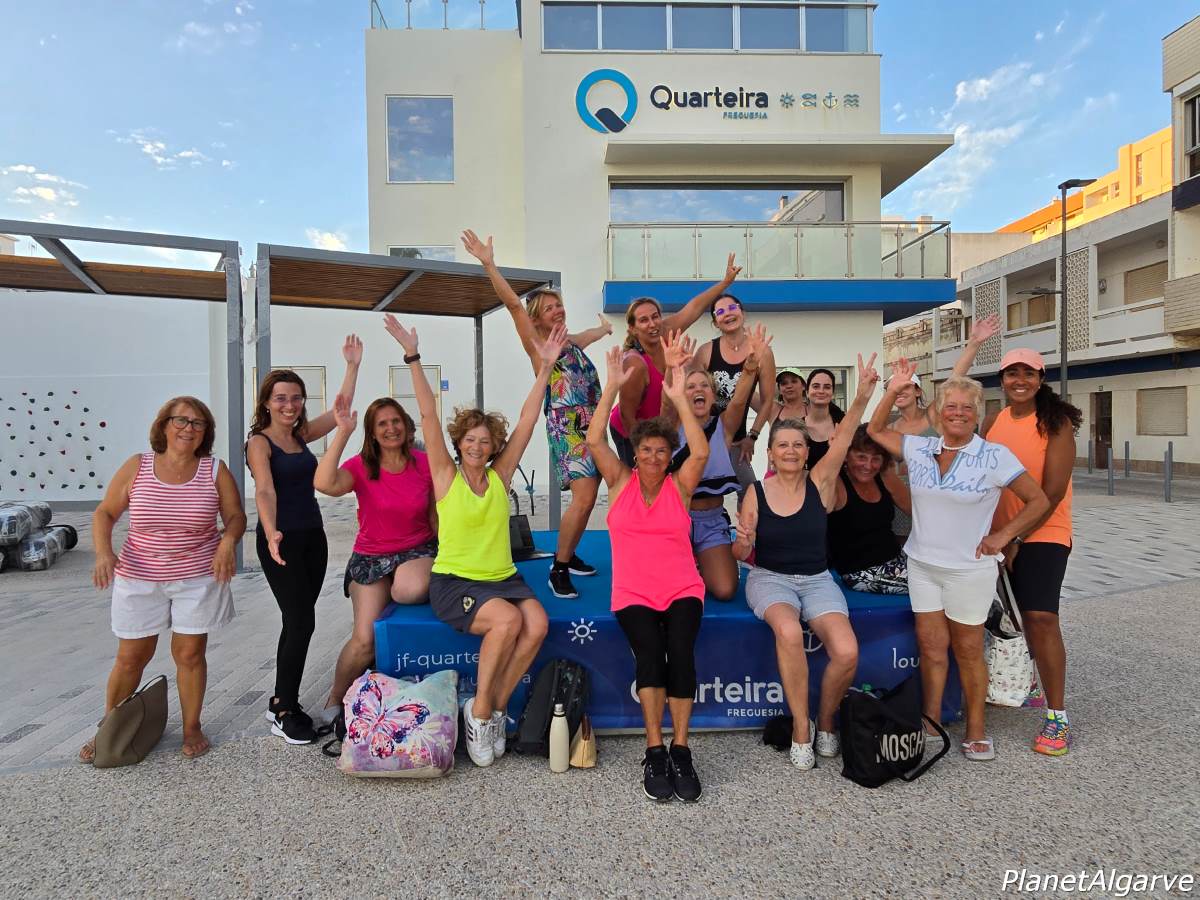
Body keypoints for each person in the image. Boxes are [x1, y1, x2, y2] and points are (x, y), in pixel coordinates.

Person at [385, 314, 557, 768]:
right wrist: (413, 356)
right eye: (470, 440)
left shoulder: (500, 476)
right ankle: (479, 714)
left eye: (485, 441)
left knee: (537, 624)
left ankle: (493, 710)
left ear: (494, 446)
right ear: (459, 443)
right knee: (507, 622)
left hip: (503, 578)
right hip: (456, 582)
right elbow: (427, 414)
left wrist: (544, 368)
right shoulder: (446, 475)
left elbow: (528, 420)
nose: (478, 447)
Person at [867, 359, 1050, 761]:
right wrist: (893, 389)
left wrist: (1002, 535)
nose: (958, 413)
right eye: (950, 406)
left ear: (978, 414)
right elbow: (876, 431)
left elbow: (1038, 501)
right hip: (922, 565)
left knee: (967, 650)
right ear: (939, 412)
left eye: (967, 408)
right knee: (932, 648)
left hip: (969, 570)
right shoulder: (920, 448)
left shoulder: (994, 456)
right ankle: (931, 720)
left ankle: (976, 729)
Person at [732, 354, 880, 770]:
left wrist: (862, 395)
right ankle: (801, 726)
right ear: (771, 454)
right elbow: (740, 555)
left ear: (806, 452)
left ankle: (826, 720)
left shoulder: (820, 482)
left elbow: (844, 437)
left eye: (798, 445)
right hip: (770, 578)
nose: (791, 450)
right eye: (783, 445)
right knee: (788, 631)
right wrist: (743, 543)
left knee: (847, 651)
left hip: (816, 579)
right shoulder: (756, 493)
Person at [83, 397, 246, 762]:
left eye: (198, 423)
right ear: (164, 425)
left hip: (197, 576)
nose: (189, 428)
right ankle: (109, 728)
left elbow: (236, 516)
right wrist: (104, 552)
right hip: (139, 576)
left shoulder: (214, 470)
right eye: (181, 420)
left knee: (189, 654)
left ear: (206, 432)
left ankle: (191, 727)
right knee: (131, 657)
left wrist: (227, 543)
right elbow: (105, 512)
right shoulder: (137, 466)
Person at [587, 336, 710, 802]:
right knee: (650, 658)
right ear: (635, 453)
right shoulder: (619, 482)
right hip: (634, 592)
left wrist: (678, 396)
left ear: (669, 454)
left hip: (682, 588)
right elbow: (594, 439)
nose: (654, 457)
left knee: (681, 655)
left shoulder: (681, 485)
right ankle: (655, 749)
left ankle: (682, 748)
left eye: (662, 451)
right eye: (646, 450)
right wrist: (611, 388)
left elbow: (700, 452)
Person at [461, 229, 610, 600]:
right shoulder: (538, 344)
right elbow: (514, 305)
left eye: (559, 305)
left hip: (594, 425)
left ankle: (569, 553)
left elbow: (590, 334)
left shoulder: (570, 342)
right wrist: (489, 264)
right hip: (568, 429)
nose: (558, 310)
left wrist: (605, 328)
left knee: (590, 496)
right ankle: (558, 568)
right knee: (584, 497)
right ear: (537, 319)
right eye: (549, 308)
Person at [245, 336, 362, 745]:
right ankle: (283, 707)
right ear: (266, 403)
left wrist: (352, 366)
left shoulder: (299, 436)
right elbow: (264, 490)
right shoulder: (259, 442)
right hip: (280, 541)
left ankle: (283, 699)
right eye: (280, 398)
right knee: (300, 620)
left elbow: (341, 411)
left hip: (314, 537)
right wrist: (270, 530)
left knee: (299, 620)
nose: (289, 405)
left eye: (295, 398)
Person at [313, 389, 436, 726]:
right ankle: (335, 696)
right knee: (364, 639)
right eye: (382, 424)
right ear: (372, 432)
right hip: (371, 556)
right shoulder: (361, 466)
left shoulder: (423, 463)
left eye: (396, 421)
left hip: (417, 549)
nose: (390, 428)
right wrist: (343, 432)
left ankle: (384, 671)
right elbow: (324, 483)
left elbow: (437, 513)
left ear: (406, 426)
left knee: (408, 590)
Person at [982, 348, 1082, 756]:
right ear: (1002, 380)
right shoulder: (993, 421)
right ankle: (1026, 683)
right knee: (1013, 617)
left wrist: (1016, 539)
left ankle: (1058, 717)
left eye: (1028, 373)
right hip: (1000, 535)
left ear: (1041, 379)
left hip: (1043, 532)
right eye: (1012, 373)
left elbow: (1052, 493)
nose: (1019, 380)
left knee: (1041, 618)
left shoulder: (1057, 424)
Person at [662, 325, 770, 601]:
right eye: (690, 386)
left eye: (704, 386)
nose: (698, 390)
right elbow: (667, 402)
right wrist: (671, 368)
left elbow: (739, 400)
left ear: (713, 395)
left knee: (724, 590)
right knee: (669, 590)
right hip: (675, 519)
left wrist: (750, 367)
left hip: (711, 520)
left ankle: (702, 559)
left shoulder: (724, 426)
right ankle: (690, 560)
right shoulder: (671, 425)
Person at [610, 255, 742, 466]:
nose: (652, 324)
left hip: (660, 422)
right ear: (633, 329)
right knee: (643, 478)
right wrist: (642, 451)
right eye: (643, 320)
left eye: (655, 316)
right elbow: (627, 416)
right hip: (630, 429)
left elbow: (694, 307)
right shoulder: (635, 364)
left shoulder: (665, 331)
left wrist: (725, 282)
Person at [888, 314, 1000, 537]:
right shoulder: (889, 429)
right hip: (900, 504)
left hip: (937, 502)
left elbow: (955, 377)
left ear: (917, 391)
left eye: (906, 387)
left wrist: (974, 343)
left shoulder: (933, 416)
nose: (900, 392)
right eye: (894, 388)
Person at [692, 293, 777, 491]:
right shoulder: (706, 352)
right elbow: (692, 395)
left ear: (742, 313)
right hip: (706, 438)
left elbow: (767, 402)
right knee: (700, 492)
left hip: (738, 441)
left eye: (732, 308)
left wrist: (752, 436)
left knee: (751, 492)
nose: (728, 314)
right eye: (720, 311)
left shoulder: (763, 352)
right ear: (715, 322)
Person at [827, 425, 912, 594]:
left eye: (876, 459)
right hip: (860, 572)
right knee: (933, 584)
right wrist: (834, 452)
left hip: (897, 561)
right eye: (861, 457)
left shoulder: (883, 476)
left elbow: (915, 510)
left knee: (949, 572)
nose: (868, 465)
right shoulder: (836, 482)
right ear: (846, 455)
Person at [800, 368, 845, 469]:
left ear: (833, 393)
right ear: (807, 392)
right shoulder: (797, 427)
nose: (821, 391)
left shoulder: (844, 423)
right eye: (816, 386)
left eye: (827, 387)